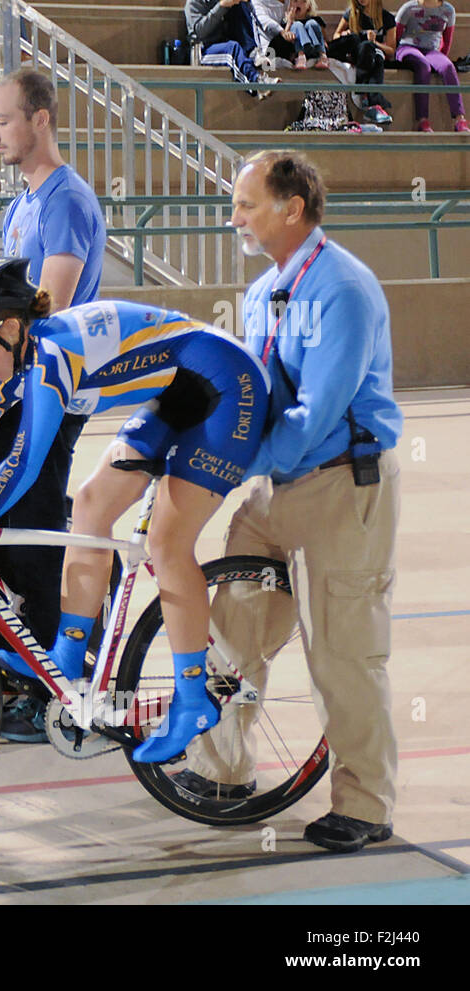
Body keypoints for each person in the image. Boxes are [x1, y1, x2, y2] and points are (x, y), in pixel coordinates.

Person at [0, 257, 270, 765]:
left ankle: (191, 700)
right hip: (179, 394)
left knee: (167, 541)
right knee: (92, 507)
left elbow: (23, 463)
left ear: (7, 327)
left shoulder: (50, 356)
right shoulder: (20, 352)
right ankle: (68, 656)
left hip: (228, 389)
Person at [179, 150, 403, 853]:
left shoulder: (345, 288)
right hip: (279, 485)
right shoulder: (263, 292)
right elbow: (263, 398)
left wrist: (237, 460)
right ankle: (222, 769)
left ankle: (365, 803)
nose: (235, 217)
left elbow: (317, 411)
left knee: (343, 651)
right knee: (231, 624)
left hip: (342, 482)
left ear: (292, 208)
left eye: (247, 204)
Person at [0, 66, 107, 741]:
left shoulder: (65, 200)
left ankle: (59, 685)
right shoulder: (23, 202)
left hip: (55, 390)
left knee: (31, 532)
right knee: (3, 520)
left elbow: (46, 304)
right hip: (20, 389)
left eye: (3, 119)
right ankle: (20, 662)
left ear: (41, 118)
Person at [393, 0, 468, 132]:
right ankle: (422, 120)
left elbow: (447, 40)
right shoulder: (409, 8)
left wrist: (439, 61)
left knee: (448, 67)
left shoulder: (448, 10)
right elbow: (395, 36)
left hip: (431, 51)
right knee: (423, 66)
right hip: (408, 47)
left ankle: (459, 119)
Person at [187, 0, 281, 95]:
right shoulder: (193, 3)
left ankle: (252, 51)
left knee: (239, 4)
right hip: (202, 50)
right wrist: (221, 6)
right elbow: (199, 32)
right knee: (232, 48)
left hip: (223, 42)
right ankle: (257, 82)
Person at [328, 0, 397, 124]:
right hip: (356, 52)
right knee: (362, 45)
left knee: (375, 55)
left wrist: (374, 42)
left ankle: (365, 95)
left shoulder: (386, 17)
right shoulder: (352, 13)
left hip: (374, 53)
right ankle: (372, 101)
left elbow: (391, 50)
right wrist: (344, 33)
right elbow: (336, 36)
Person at [285, 0, 332, 67]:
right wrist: (289, 22)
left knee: (311, 23)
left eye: (303, 1)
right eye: (295, 1)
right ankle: (301, 58)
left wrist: (324, 42)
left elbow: (323, 37)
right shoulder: (289, 22)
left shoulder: (316, 20)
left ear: (309, 6)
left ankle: (323, 57)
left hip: (315, 48)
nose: (298, 3)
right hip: (298, 50)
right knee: (297, 25)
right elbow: (285, 36)